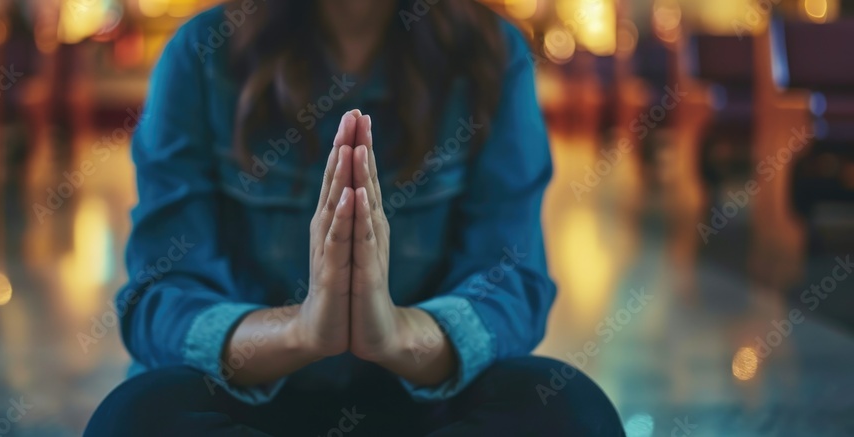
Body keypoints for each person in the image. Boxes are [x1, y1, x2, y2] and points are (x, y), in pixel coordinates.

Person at [86, 1, 624, 435]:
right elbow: (160, 292)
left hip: (424, 401)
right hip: (253, 400)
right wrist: (299, 333)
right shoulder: (200, 55)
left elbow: (513, 278)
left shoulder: (491, 54)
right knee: (136, 418)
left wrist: (395, 334)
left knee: (570, 412)